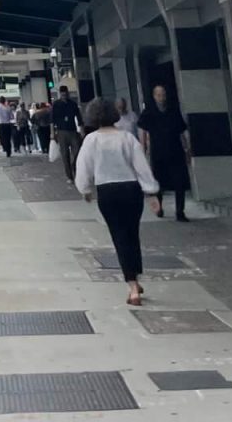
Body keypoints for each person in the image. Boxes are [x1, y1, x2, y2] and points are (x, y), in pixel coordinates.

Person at [76, 96, 158, 307]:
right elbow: (141, 166)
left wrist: (85, 189)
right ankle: (135, 278)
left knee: (119, 236)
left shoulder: (91, 140)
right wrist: (151, 192)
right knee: (132, 234)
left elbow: (83, 168)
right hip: (131, 189)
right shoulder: (127, 138)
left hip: (107, 191)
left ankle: (132, 286)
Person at [137, 84, 192, 221]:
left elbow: (181, 131)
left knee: (180, 181)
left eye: (163, 95)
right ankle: (159, 207)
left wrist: (187, 149)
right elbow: (142, 129)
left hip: (176, 150)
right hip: (158, 151)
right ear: (154, 96)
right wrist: (143, 149)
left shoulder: (173, 110)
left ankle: (180, 211)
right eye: (159, 95)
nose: (162, 98)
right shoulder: (149, 112)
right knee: (158, 182)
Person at [50, 87, 83, 176]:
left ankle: (74, 167)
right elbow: (52, 120)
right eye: (62, 94)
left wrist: (82, 130)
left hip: (72, 130)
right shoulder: (56, 104)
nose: (64, 96)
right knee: (65, 154)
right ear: (60, 94)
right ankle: (69, 175)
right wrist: (52, 133)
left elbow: (79, 117)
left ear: (67, 93)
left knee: (77, 152)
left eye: (65, 94)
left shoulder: (72, 104)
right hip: (61, 131)